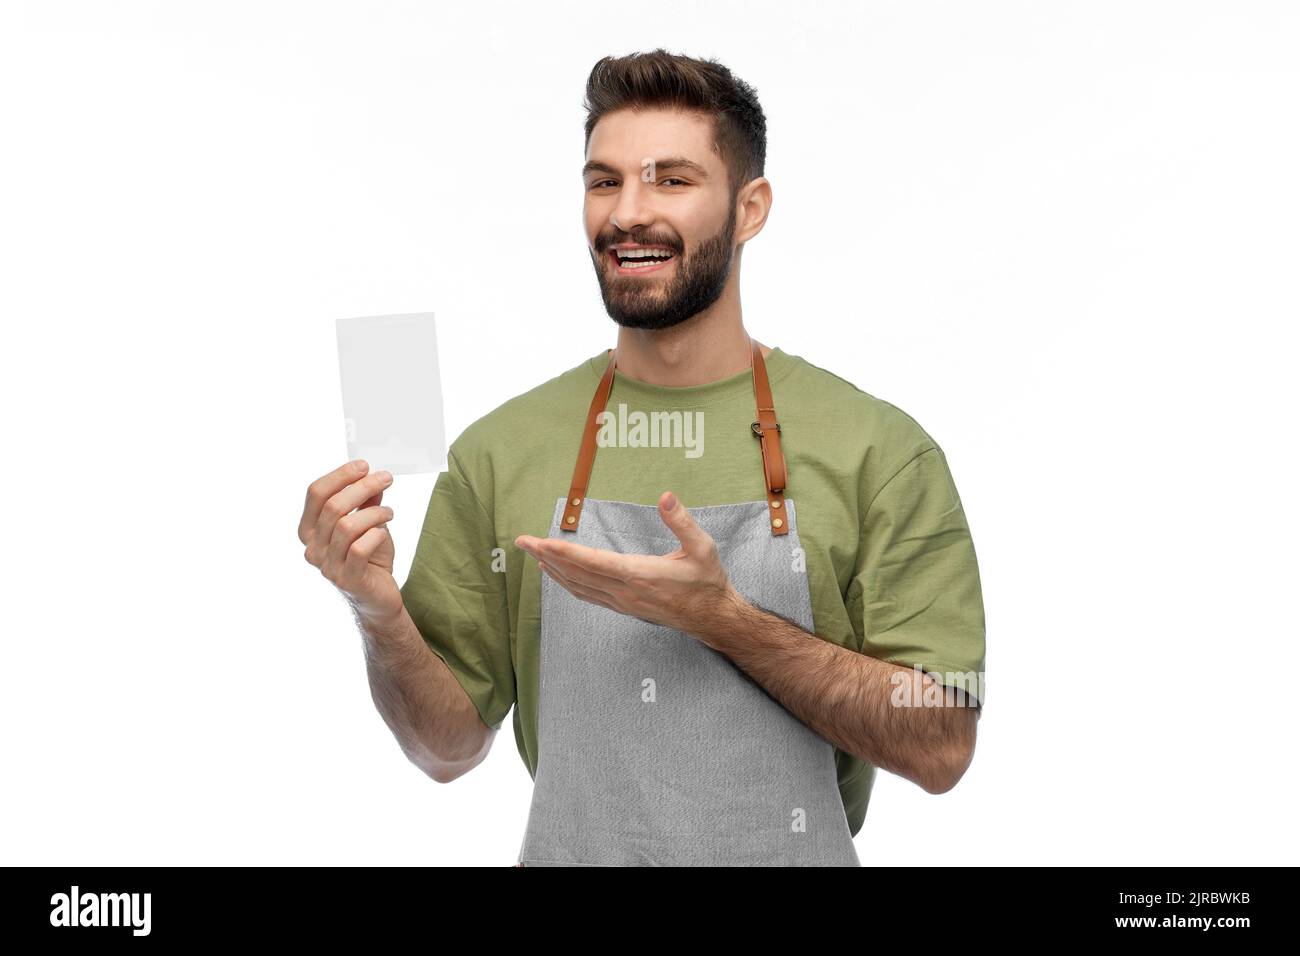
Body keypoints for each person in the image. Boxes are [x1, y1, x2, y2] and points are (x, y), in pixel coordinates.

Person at [299, 49, 986, 866]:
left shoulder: (877, 451)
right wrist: (375, 607)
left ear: (750, 207)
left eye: (671, 180)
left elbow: (942, 740)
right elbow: (445, 748)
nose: (627, 213)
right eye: (604, 181)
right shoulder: (500, 451)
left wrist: (725, 622)